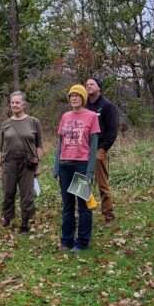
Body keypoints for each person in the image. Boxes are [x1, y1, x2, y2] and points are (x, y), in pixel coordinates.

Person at [54, 84, 100, 251]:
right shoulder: (65, 116)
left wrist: (89, 171)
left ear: (83, 98)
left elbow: (94, 147)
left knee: (83, 206)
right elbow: (59, 144)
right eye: (71, 95)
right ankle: (66, 240)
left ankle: (82, 242)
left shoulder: (92, 116)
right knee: (67, 206)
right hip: (65, 165)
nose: (73, 98)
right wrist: (56, 167)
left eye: (77, 95)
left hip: (81, 165)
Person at [0, 91, 43, 234]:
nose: (14, 105)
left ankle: (26, 223)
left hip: (28, 164)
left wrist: (38, 165)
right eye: (12, 102)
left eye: (17, 102)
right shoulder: (5, 124)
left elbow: (39, 146)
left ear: (24, 104)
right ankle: (8, 219)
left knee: (27, 195)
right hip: (9, 163)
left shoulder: (34, 122)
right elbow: (0, 148)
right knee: (8, 193)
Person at [85, 77, 119, 224]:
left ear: (99, 87)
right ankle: (85, 211)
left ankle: (108, 215)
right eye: (86, 84)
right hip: (83, 149)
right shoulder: (84, 106)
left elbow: (112, 131)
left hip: (99, 149)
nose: (88, 86)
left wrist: (104, 149)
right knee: (82, 182)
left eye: (92, 84)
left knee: (102, 184)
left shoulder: (107, 106)